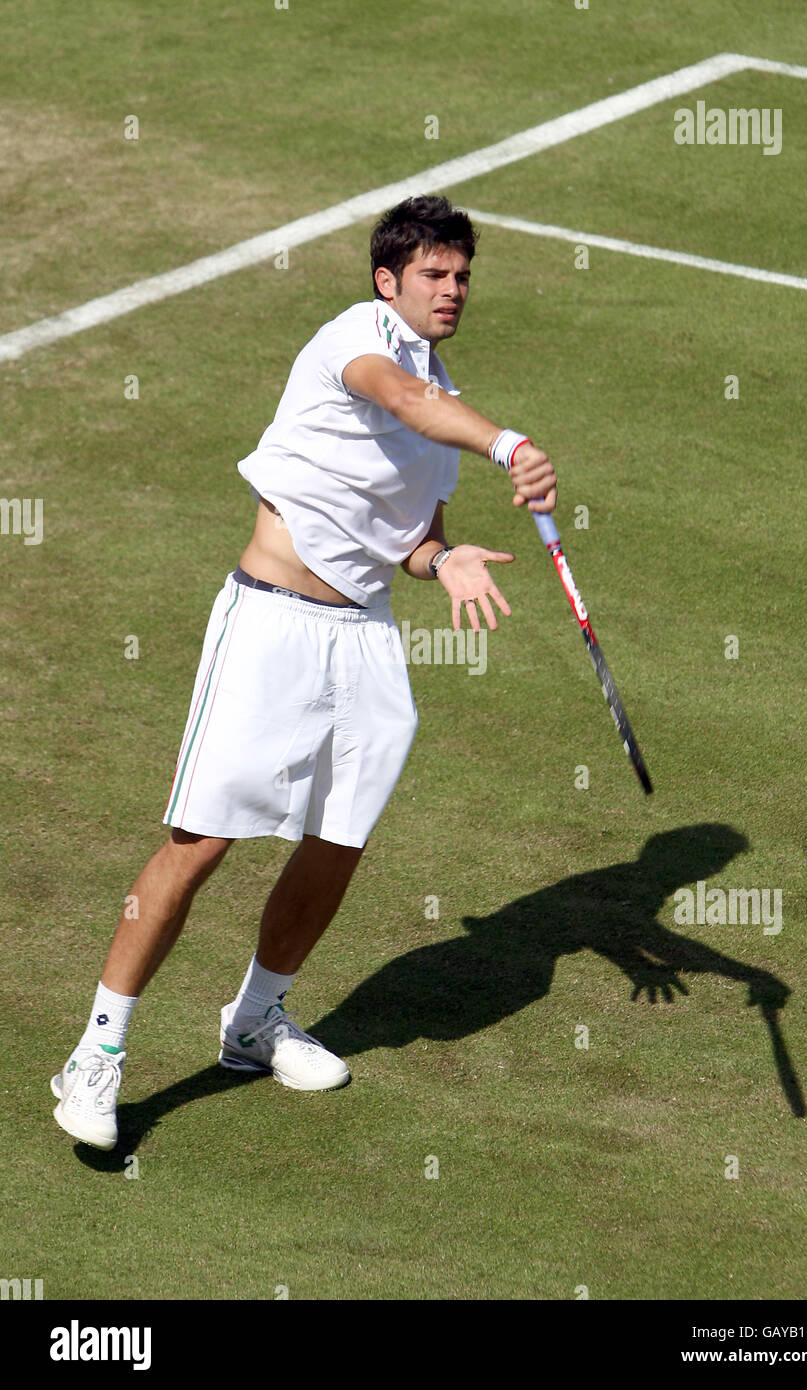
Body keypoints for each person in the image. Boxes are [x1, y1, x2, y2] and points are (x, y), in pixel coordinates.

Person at [51, 195, 557, 1151]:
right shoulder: (355, 343)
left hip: (362, 637)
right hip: (270, 627)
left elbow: (414, 531)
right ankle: (97, 1052)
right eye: (434, 275)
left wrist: (439, 561)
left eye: (461, 277)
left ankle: (255, 1021)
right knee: (200, 843)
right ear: (387, 281)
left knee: (339, 839)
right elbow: (406, 403)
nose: (451, 291)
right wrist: (510, 444)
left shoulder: (438, 385)